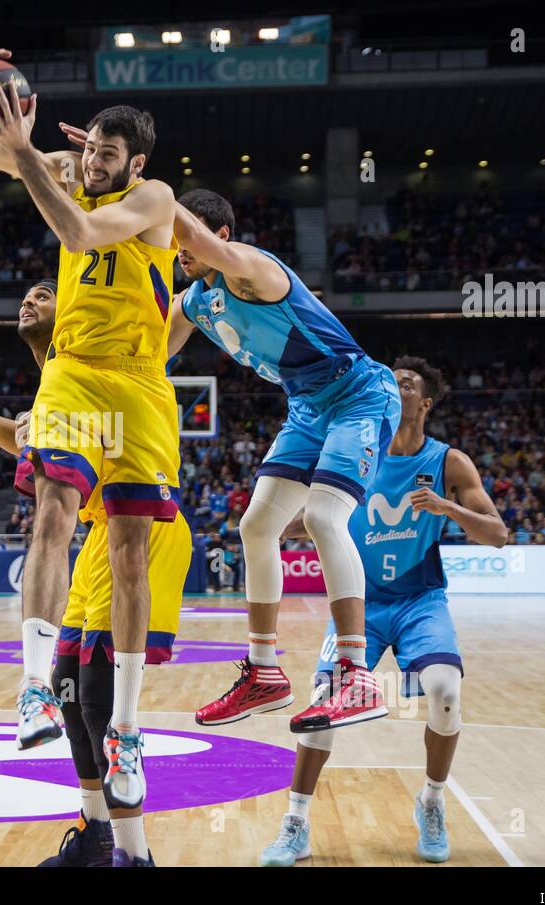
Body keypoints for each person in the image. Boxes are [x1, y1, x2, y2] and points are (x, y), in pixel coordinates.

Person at [0, 48, 181, 836]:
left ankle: (125, 729)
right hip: (75, 375)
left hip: (142, 386)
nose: (89, 161)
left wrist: (28, 157)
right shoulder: (66, 165)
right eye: (86, 149)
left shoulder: (153, 198)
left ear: (136, 163)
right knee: (52, 508)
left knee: (126, 553)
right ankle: (28, 689)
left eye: (105, 155)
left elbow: (83, 233)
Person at [0, 277, 190, 867]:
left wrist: (192, 282)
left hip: (143, 536)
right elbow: (29, 442)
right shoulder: (54, 387)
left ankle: (134, 855)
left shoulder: (101, 354)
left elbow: (166, 329)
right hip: (100, 536)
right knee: (69, 690)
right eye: (24, 296)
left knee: (97, 695)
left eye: (44, 294)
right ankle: (96, 834)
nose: (29, 301)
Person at [164, 188, 401, 731]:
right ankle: (265, 674)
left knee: (321, 517)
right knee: (256, 526)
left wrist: (150, 195)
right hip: (306, 408)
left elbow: (193, 235)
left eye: (187, 236)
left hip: (358, 392)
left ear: (220, 236)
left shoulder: (253, 268)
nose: (179, 247)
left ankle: (355, 675)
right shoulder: (192, 301)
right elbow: (152, 355)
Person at [260, 357, 507, 866]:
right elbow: (308, 518)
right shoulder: (354, 452)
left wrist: (448, 508)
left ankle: (432, 802)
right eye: (391, 383)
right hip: (360, 609)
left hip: (421, 601)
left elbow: (498, 534)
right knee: (322, 709)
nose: (395, 389)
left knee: (444, 693)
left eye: (407, 384)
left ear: (424, 403)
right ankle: (296, 824)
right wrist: (277, 524)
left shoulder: (449, 461)